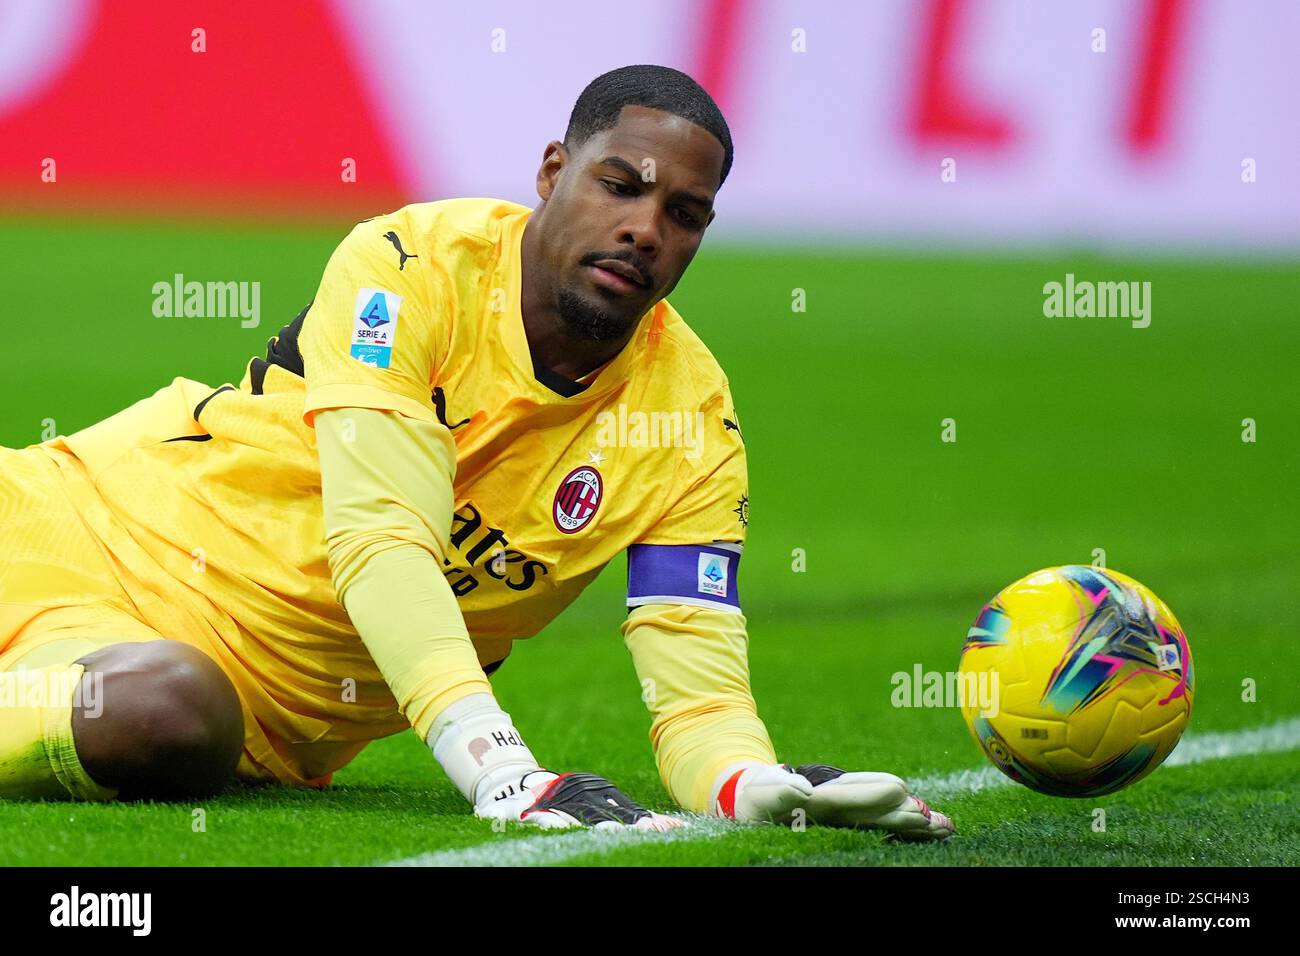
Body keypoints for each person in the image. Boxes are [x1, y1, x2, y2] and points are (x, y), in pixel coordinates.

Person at [0, 64, 952, 838]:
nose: (644, 229)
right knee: (172, 701)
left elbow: (698, 698)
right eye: (619, 186)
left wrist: (752, 786)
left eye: (684, 215)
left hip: (188, 701)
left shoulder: (689, 426)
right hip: (61, 524)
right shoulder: (410, 270)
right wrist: (498, 766)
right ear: (551, 173)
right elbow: (380, 541)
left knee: (167, 714)